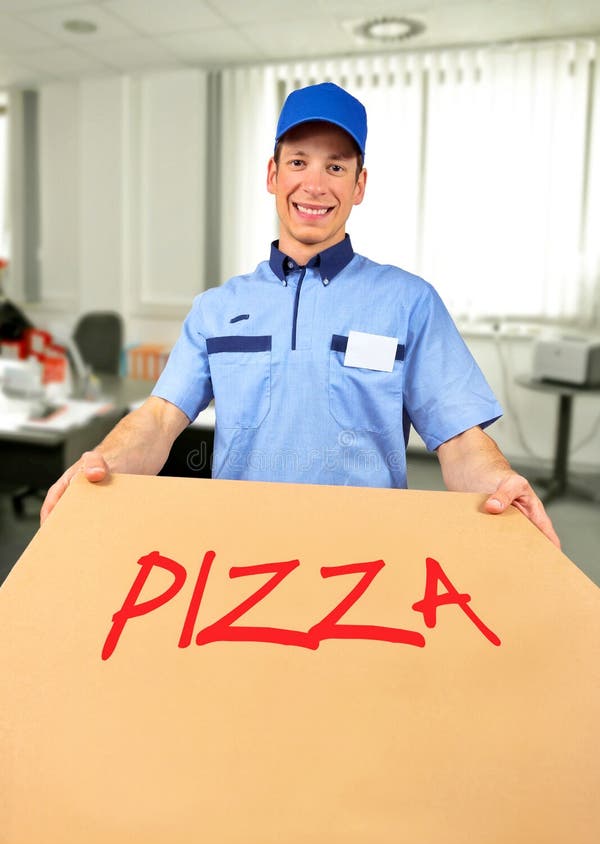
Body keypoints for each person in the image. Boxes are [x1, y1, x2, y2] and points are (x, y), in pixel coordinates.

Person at [40, 82, 559, 547]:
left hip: (367, 554)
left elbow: (461, 440)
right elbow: (157, 420)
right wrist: (101, 462)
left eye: (335, 166)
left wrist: (500, 482)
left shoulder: (409, 302)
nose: (314, 184)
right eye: (298, 161)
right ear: (272, 173)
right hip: (239, 550)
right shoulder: (218, 309)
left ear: (359, 185)